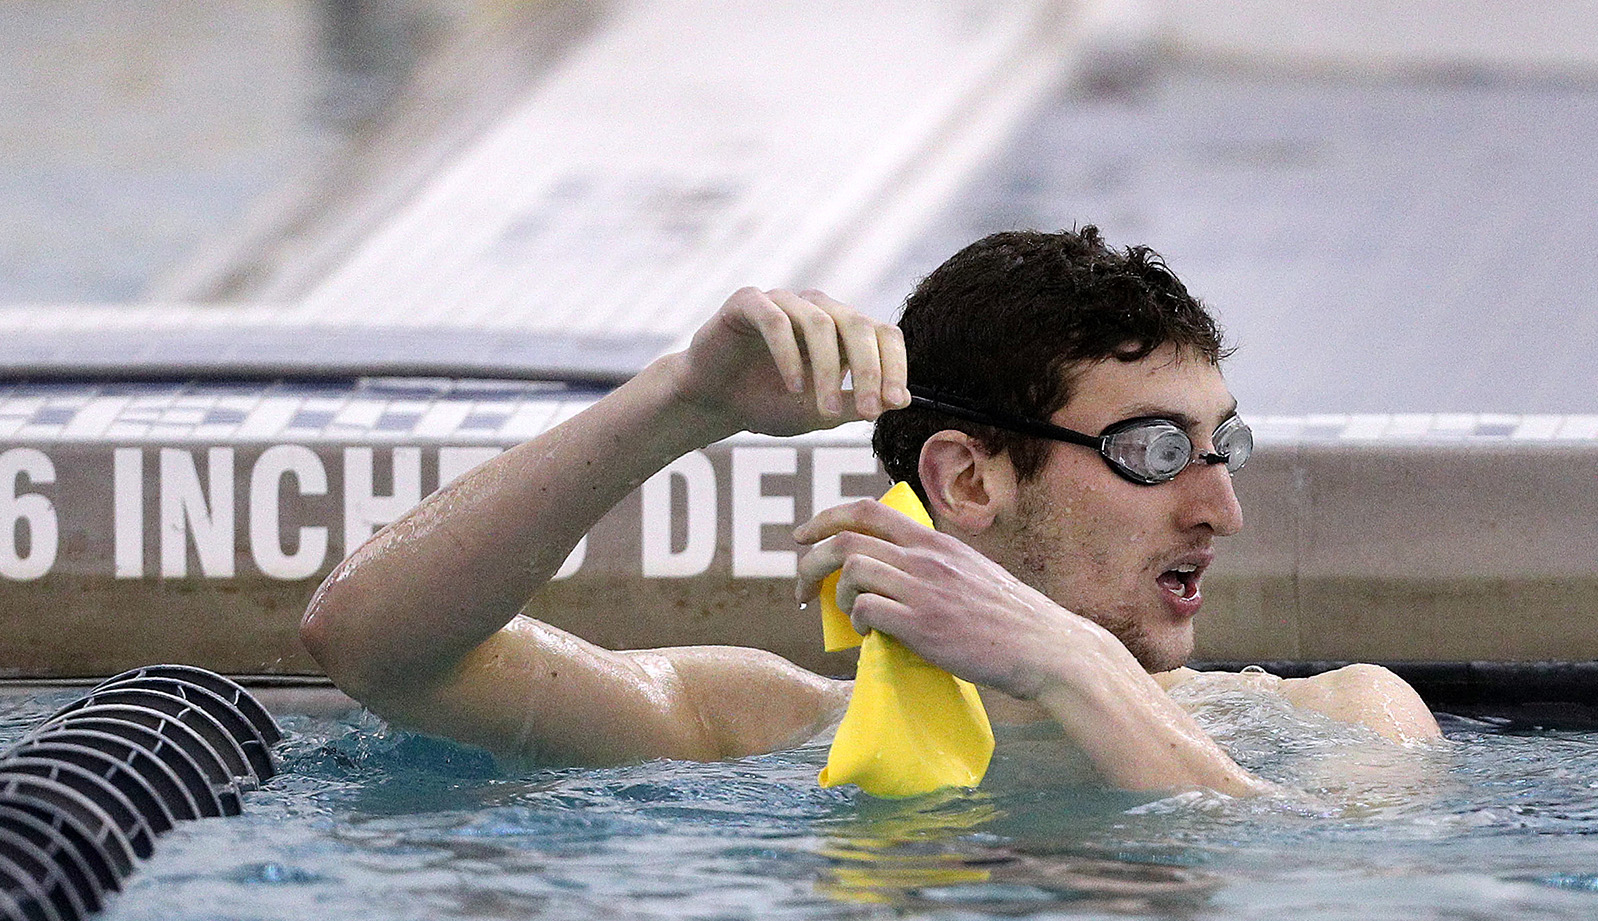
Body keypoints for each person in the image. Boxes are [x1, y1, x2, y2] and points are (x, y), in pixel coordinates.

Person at [300, 227, 1440, 797]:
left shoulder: (1346, 718)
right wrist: (676, 402)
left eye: (1219, 445)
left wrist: (1073, 671)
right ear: (969, 480)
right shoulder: (764, 731)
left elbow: (1322, 903)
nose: (1222, 508)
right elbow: (373, 647)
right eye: (1154, 451)